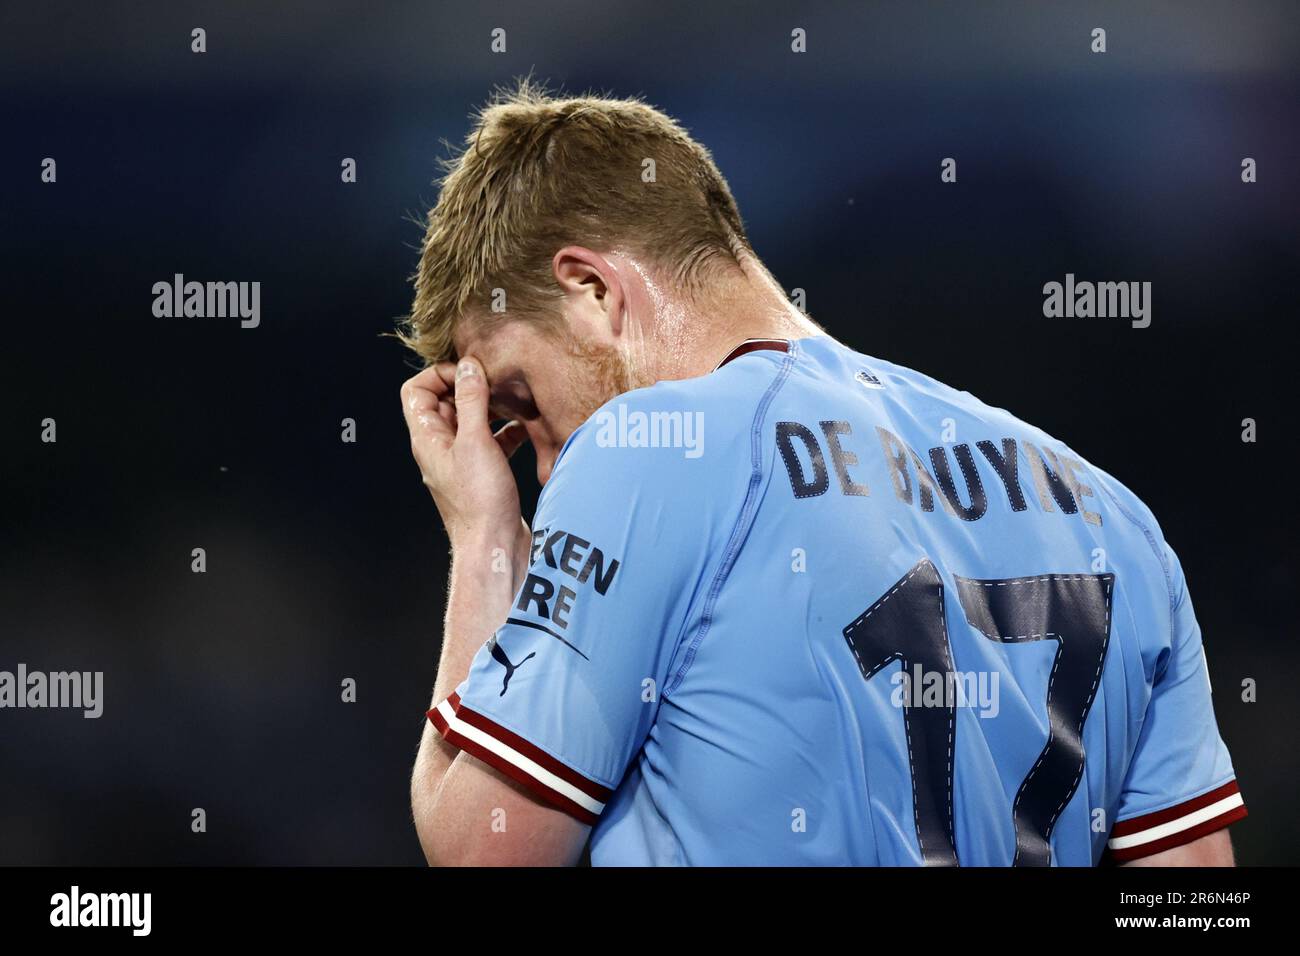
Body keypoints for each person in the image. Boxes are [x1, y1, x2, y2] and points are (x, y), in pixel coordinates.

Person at [399, 81, 1245, 865]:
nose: (545, 468)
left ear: (592, 289)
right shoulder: (1110, 514)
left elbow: (483, 848)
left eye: (524, 402)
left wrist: (485, 543)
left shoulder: (643, 452)